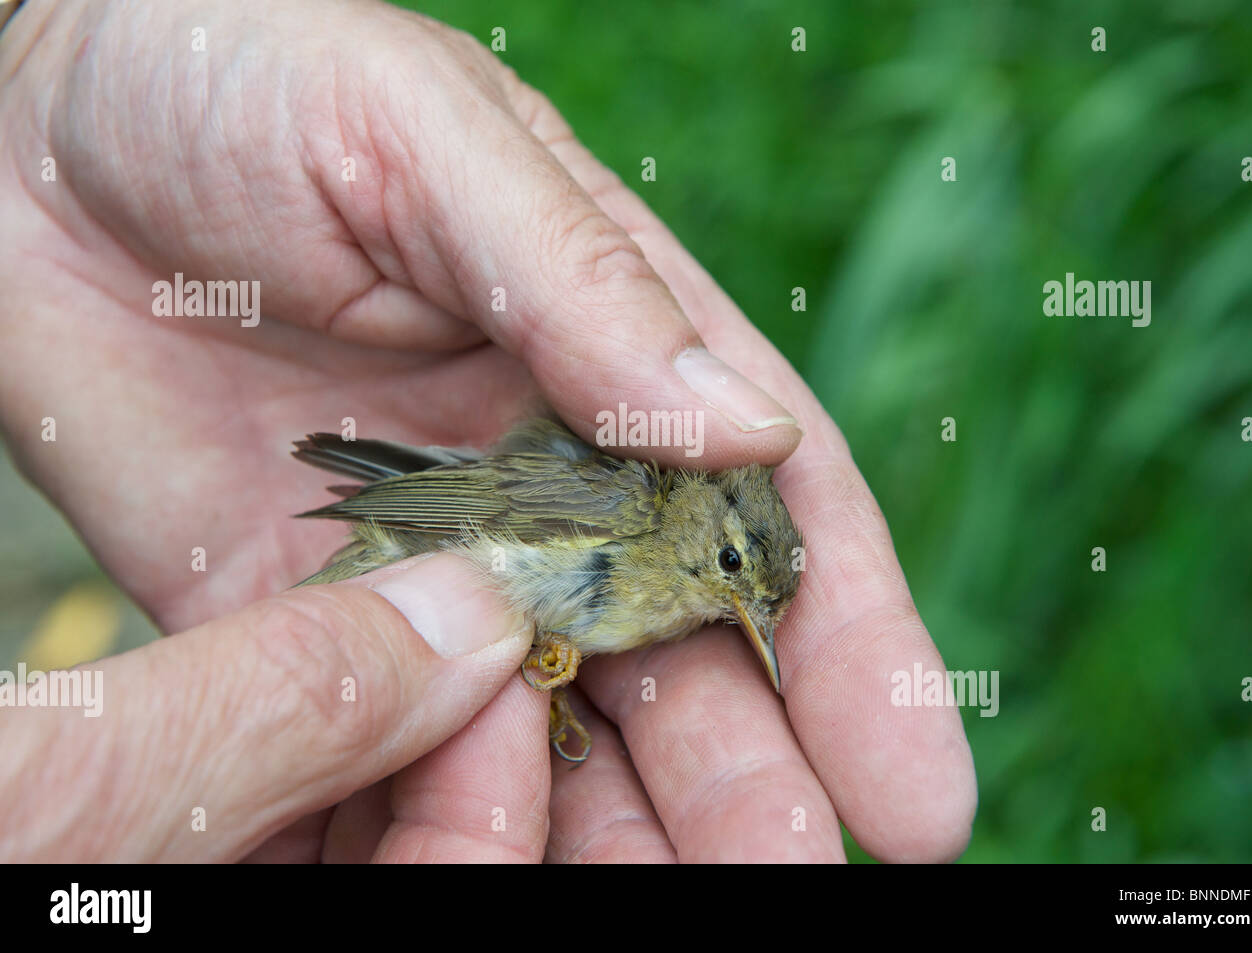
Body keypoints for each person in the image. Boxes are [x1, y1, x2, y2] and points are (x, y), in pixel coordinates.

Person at [0, 0, 975, 862]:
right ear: (704, 524)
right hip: (428, 540)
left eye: (748, 605)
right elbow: (477, 502)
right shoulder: (634, 503)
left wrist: (33, 36)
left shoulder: (670, 579)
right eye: (729, 569)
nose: (734, 608)